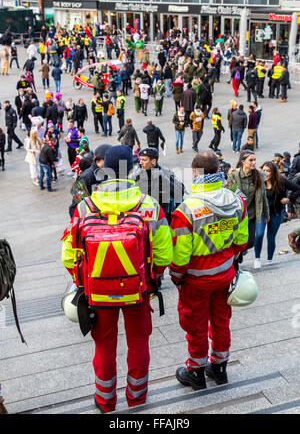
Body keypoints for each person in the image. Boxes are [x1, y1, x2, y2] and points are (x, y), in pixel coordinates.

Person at [61, 145, 173, 413]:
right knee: (138, 343)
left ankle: (105, 401)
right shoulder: (148, 205)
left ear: (105, 169)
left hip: (98, 294)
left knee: (104, 347)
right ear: (132, 167)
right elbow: (164, 253)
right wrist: (152, 277)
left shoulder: (85, 206)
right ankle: (136, 397)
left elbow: (68, 254)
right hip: (139, 290)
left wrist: (85, 280)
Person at [170, 151, 248, 389]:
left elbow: (181, 255)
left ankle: (195, 371)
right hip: (225, 275)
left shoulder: (186, 210)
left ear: (195, 173)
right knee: (221, 321)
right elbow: (242, 240)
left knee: (195, 325)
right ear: (218, 171)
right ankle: (220, 367)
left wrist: (177, 277)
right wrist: (228, 260)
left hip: (195, 281)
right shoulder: (237, 200)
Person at [254, 161, 300, 269]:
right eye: (264, 170)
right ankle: (257, 259)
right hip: (261, 212)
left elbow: (297, 188)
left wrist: (289, 199)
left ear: (273, 172)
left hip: (276, 213)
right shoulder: (258, 181)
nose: (265, 173)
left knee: (271, 236)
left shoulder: (281, 181)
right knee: (259, 235)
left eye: (268, 171)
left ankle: (269, 259)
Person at [227, 150, 269, 254]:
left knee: (250, 242)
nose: (254, 162)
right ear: (243, 161)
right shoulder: (234, 176)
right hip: (237, 216)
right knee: (235, 241)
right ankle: (236, 259)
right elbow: (229, 194)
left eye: (254, 160)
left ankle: (240, 253)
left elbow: (263, 197)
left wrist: (266, 214)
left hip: (250, 215)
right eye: (250, 160)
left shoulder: (258, 176)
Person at [133, 147, 185, 225]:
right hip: (141, 221)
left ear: (153, 161)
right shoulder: (137, 175)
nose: (140, 162)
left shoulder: (166, 173)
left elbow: (180, 193)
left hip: (163, 221)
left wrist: (164, 180)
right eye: (140, 159)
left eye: (144, 160)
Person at [68, 143, 111, 218]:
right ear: (101, 159)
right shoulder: (86, 177)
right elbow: (75, 207)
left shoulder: (105, 173)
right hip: (89, 222)